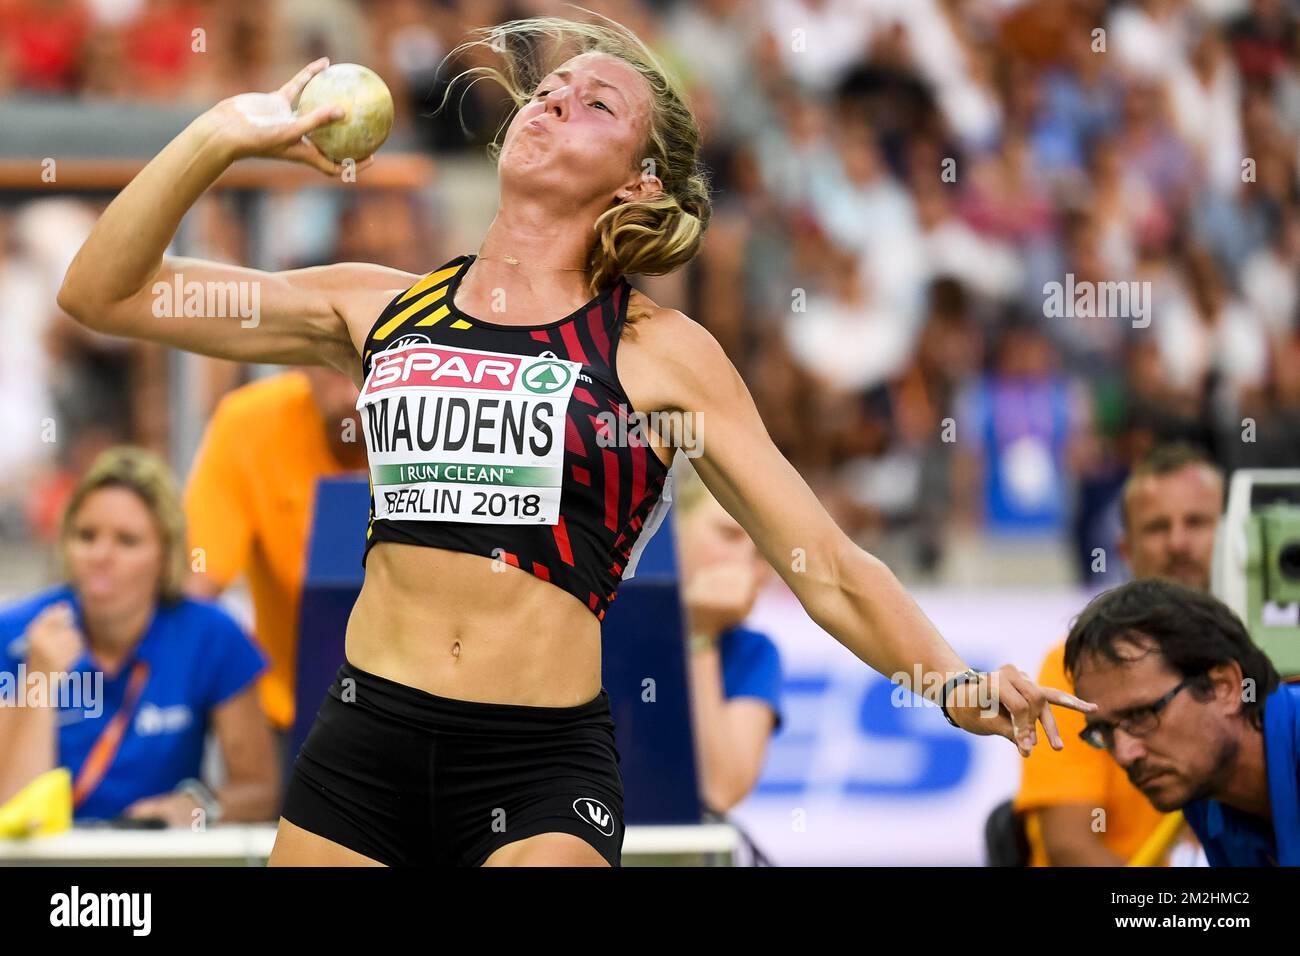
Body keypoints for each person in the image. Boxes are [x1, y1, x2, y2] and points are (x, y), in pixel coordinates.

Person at [56, 16, 1089, 868]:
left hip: (534, 768)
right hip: (359, 747)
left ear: (639, 184)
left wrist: (950, 680)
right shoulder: (377, 309)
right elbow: (103, 291)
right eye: (551, 91)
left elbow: (820, 560)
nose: (552, 100)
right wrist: (223, 135)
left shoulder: (657, 352)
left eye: (598, 103)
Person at [0, 447, 277, 825]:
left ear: (166, 556)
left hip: (159, 858)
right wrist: (40, 679)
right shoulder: (17, 632)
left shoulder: (211, 633)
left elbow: (260, 790)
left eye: (127, 541)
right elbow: (13, 812)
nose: (100, 554)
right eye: (86, 535)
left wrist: (194, 809)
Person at [1016, 443, 1224, 865]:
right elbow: (1070, 847)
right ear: (1125, 550)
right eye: (1157, 527)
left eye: (1198, 522)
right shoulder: (1074, 669)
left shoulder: (1270, 659)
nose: (1179, 543)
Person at [184, 367, 368, 748]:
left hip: (430, 709)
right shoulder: (250, 423)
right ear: (302, 360)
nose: (353, 395)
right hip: (294, 714)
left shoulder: (448, 427)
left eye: (370, 371)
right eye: (336, 367)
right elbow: (197, 584)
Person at [1066, 579, 1300, 867]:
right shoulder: (1205, 793)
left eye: (1142, 714)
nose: (1125, 754)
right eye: (1103, 731)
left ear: (1224, 686)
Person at [673, 459, 783, 813]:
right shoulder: (596, 617)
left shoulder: (755, 653)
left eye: (763, 554)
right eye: (729, 534)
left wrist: (700, 634)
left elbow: (718, 792)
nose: (744, 565)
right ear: (675, 524)